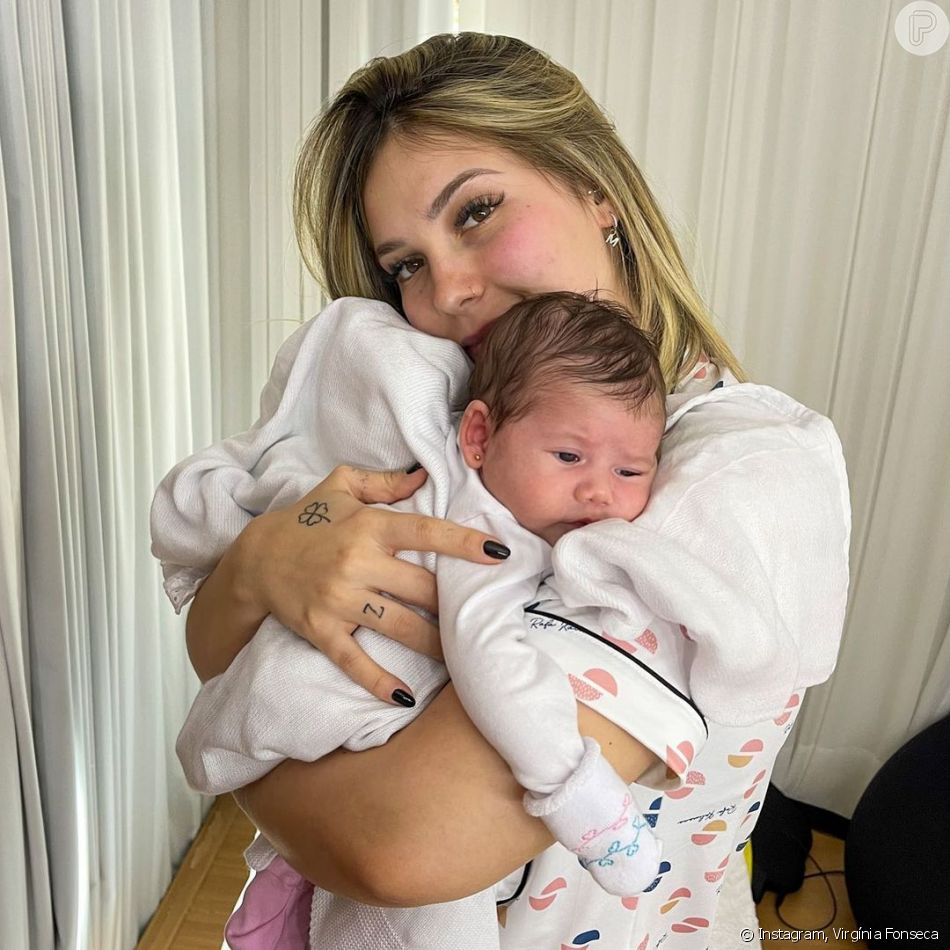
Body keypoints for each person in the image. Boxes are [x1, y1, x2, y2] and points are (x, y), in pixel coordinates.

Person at [154, 32, 851, 949]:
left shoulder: (740, 476)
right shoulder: (446, 426)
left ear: (597, 189)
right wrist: (258, 566)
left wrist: (232, 745)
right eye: (405, 264)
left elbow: (398, 848)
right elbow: (215, 640)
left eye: (477, 211)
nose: (445, 289)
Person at [162, 292, 667, 947]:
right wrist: (581, 794)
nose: (599, 490)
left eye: (630, 470)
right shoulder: (489, 536)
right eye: (569, 457)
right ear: (479, 437)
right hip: (319, 718)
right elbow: (495, 665)